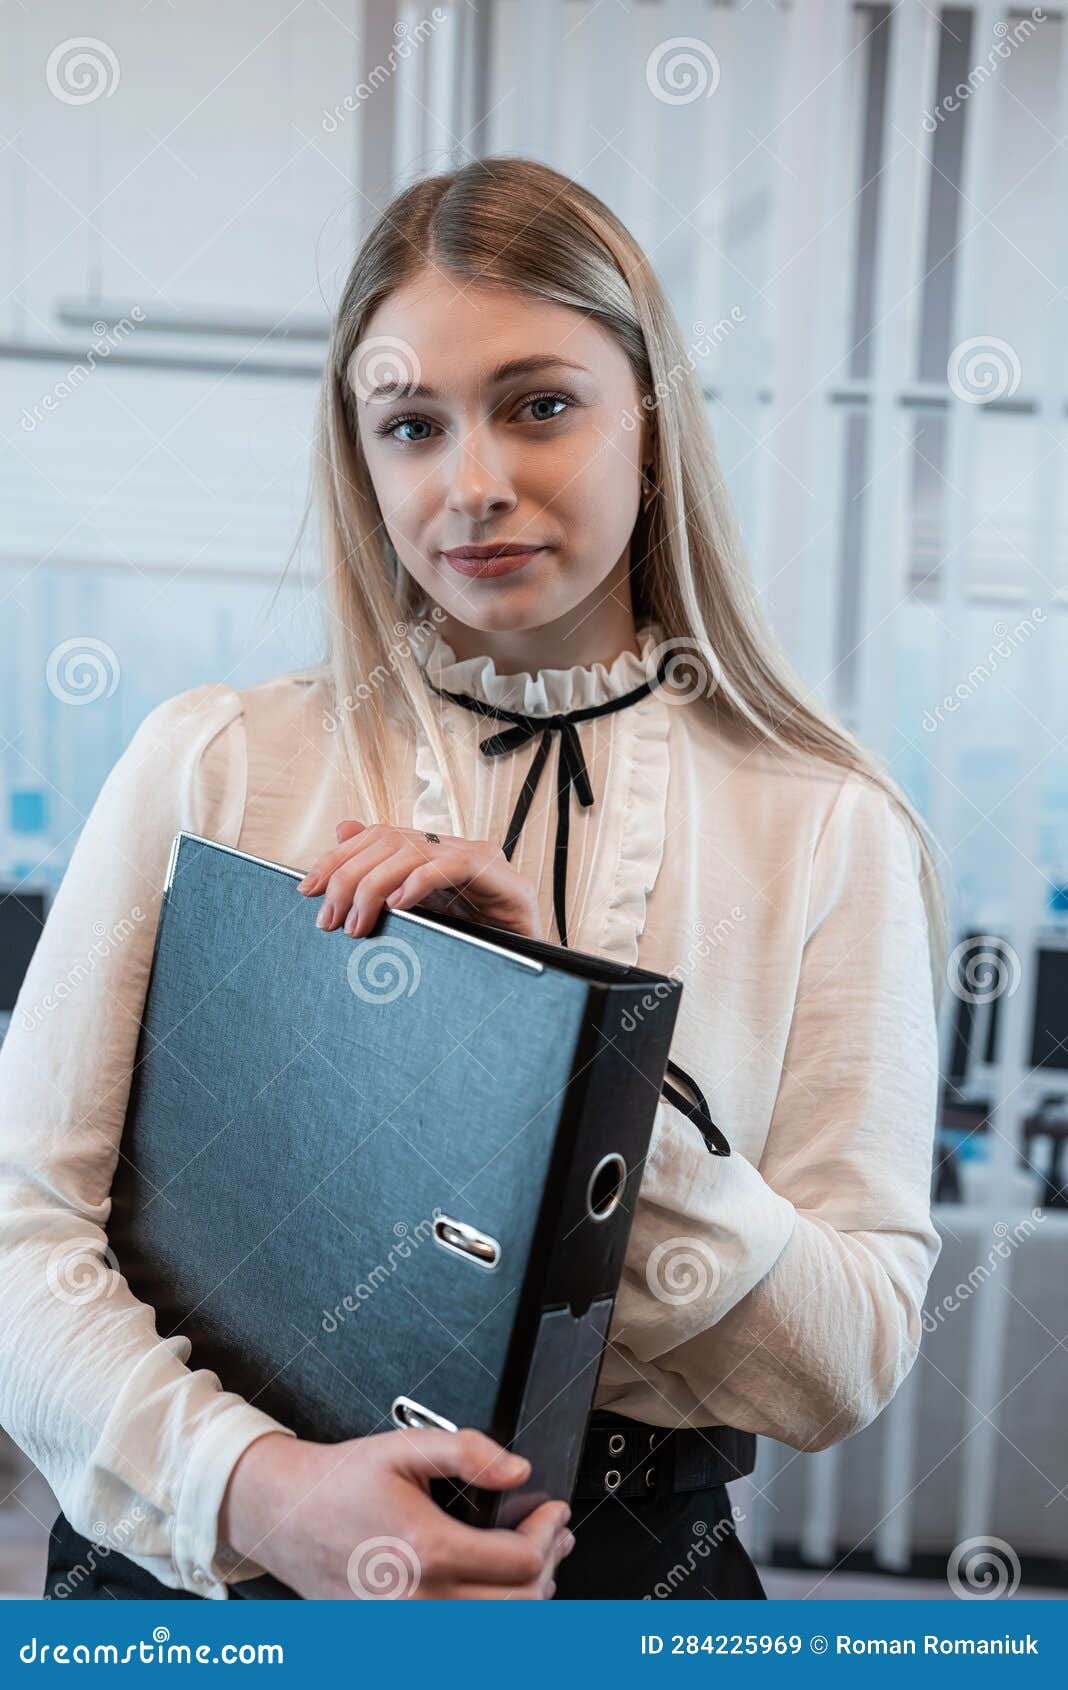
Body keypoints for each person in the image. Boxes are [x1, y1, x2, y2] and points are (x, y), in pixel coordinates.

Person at [0, 156, 945, 1602]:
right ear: (360, 455)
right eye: (411, 425)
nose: (474, 482)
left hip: (625, 1568)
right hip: (207, 1564)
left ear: (650, 417)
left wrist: (585, 1063)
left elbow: (850, 1361)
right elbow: (19, 1234)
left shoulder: (828, 823)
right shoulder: (215, 766)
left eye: (541, 404)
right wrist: (258, 1491)